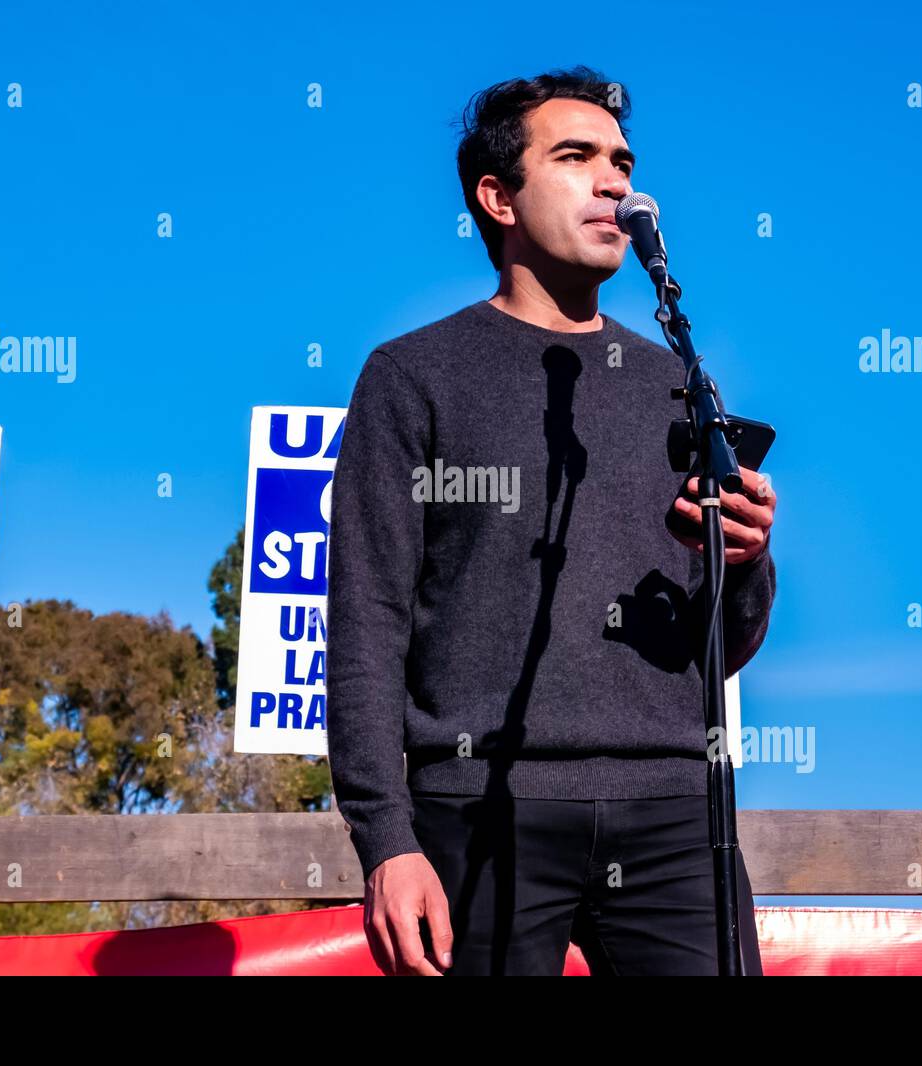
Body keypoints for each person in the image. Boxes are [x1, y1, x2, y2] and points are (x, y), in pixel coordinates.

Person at [326, 66, 778, 976]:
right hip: (477, 807)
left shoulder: (679, 384)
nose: (613, 180)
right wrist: (385, 838)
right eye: (575, 156)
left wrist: (747, 560)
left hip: (674, 816)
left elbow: (722, 645)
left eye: (620, 160)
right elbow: (366, 619)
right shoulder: (413, 375)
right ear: (497, 196)